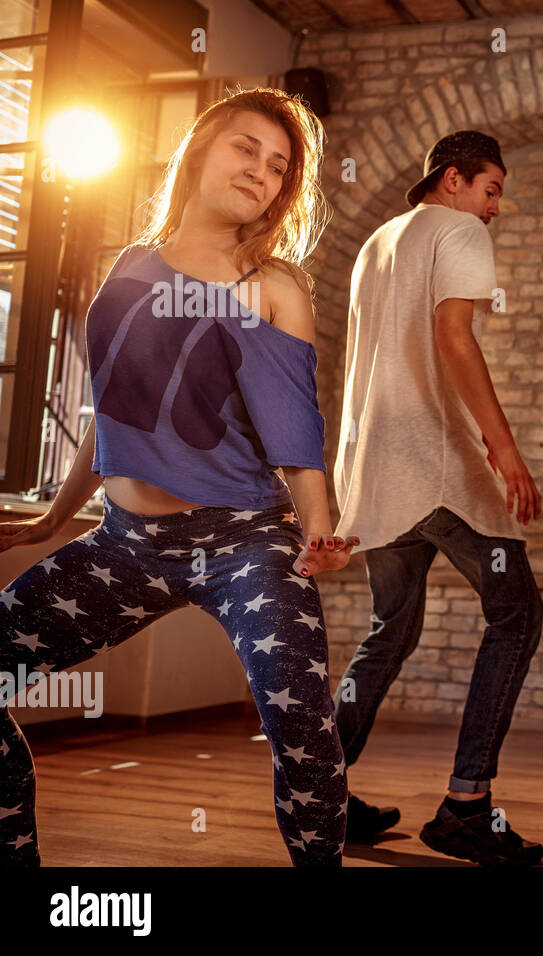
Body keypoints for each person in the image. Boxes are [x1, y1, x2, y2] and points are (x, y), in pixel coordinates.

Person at [0, 88, 357, 867]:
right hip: (124, 543)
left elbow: (296, 433)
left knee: (304, 730)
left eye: (278, 166)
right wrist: (55, 519)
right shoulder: (131, 264)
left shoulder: (275, 285)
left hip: (245, 541)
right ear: (200, 149)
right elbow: (110, 412)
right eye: (246, 148)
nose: (261, 172)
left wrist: (320, 530)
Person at [331, 130, 543, 867]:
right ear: (453, 180)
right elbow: (455, 339)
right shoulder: (456, 228)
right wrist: (505, 449)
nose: (495, 207)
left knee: (389, 628)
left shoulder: (376, 243)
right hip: (431, 466)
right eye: (491, 189)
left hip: (370, 472)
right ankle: (465, 806)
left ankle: (318, 790)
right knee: (517, 613)